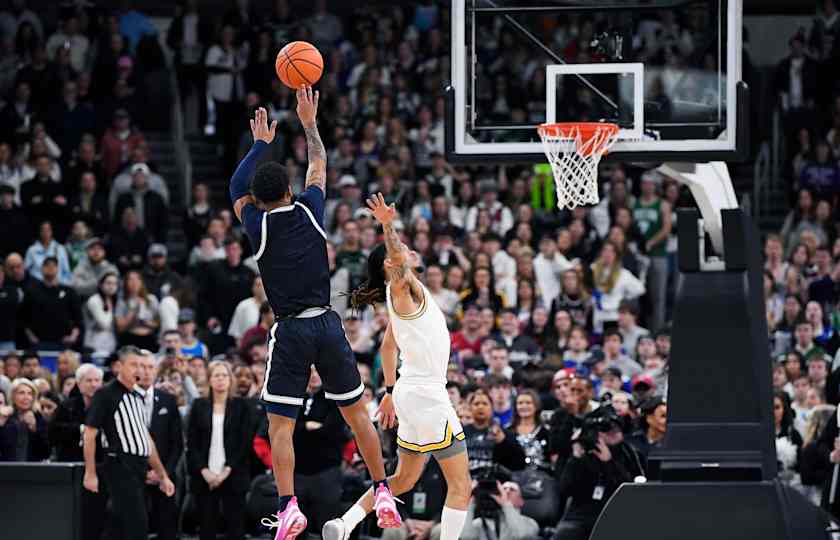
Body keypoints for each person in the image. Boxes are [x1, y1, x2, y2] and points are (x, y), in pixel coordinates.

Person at [228, 97, 396, 537]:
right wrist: (309, 124)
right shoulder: (309, 210)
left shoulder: (255, 225)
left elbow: (235, 188)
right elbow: (318, 161)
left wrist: (259, 145)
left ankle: (288, 507)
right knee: (357, 413)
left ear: (259, 200)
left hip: (290, 330)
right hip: (326, 323)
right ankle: (381, 489)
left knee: (280, 424)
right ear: (289, 191)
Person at [323, 194, 473, 540]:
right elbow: (394, 257)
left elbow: (389, 347)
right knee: (461, 484)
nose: (406, 249)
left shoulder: (397, 300)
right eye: (401, 248)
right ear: (393, 266)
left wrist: (390, 392)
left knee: (404, 479)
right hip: (427, 393)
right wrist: (387, 224)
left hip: (408, 393)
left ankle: (344, 524)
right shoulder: (404, 289)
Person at [82, 346, 175, 540]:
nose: (139, 370)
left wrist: (162, 474)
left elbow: (145, 439)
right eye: (134, 365)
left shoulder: (137, 396)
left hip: (138, 466)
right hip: (119, 463)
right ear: (119, 367)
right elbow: (90, 434)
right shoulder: (106, 394)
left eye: (142, 365)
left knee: (119, 526)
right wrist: (90, 473)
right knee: (137, 525)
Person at [187, 360, 253, 540]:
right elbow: (192, 444)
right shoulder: (199, 405)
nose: (221, 379)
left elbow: (245, 443)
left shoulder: (242, 406)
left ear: (230, 380)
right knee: (206, 527)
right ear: (209, 380)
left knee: (235, 527)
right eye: (216, 375)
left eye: (224, 375)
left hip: (234, 473)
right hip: (205, 476)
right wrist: (204, 470)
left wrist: (227, 470)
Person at [49, 363, 107, 538]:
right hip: (71, 466)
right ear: (79, 384)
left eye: (97, 380)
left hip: (100, 468)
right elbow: (53, 433)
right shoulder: (68, 406)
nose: (94, 384)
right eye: (89, 380)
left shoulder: (109, 406)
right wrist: (81, 430)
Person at [137, 352, 182, 540]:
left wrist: (163, 473)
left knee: (167, 529)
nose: (147, 372)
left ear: (156, 371)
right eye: (142, 367)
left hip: (165, 476)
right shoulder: (122, 399)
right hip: (134, 478)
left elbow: (177, 444)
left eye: (150, 368)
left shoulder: (168, 400)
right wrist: (143, 473)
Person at [459, 481, 540, 540]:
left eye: (512, 489)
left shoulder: (530, 523)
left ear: (521, 501)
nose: (506, 491)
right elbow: (466, 536)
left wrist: (506, 505)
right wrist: (470, 503)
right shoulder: (479, 524)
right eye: (503, 489)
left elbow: (522, 535)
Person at [0, 377, 49, 461]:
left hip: (32, 469)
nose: (26, 397)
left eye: (30, 393)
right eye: (21, 393)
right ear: (12, 396)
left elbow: (46, 452)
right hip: (6, 468)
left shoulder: (39, 418)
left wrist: (34, 428)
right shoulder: (5, 416)